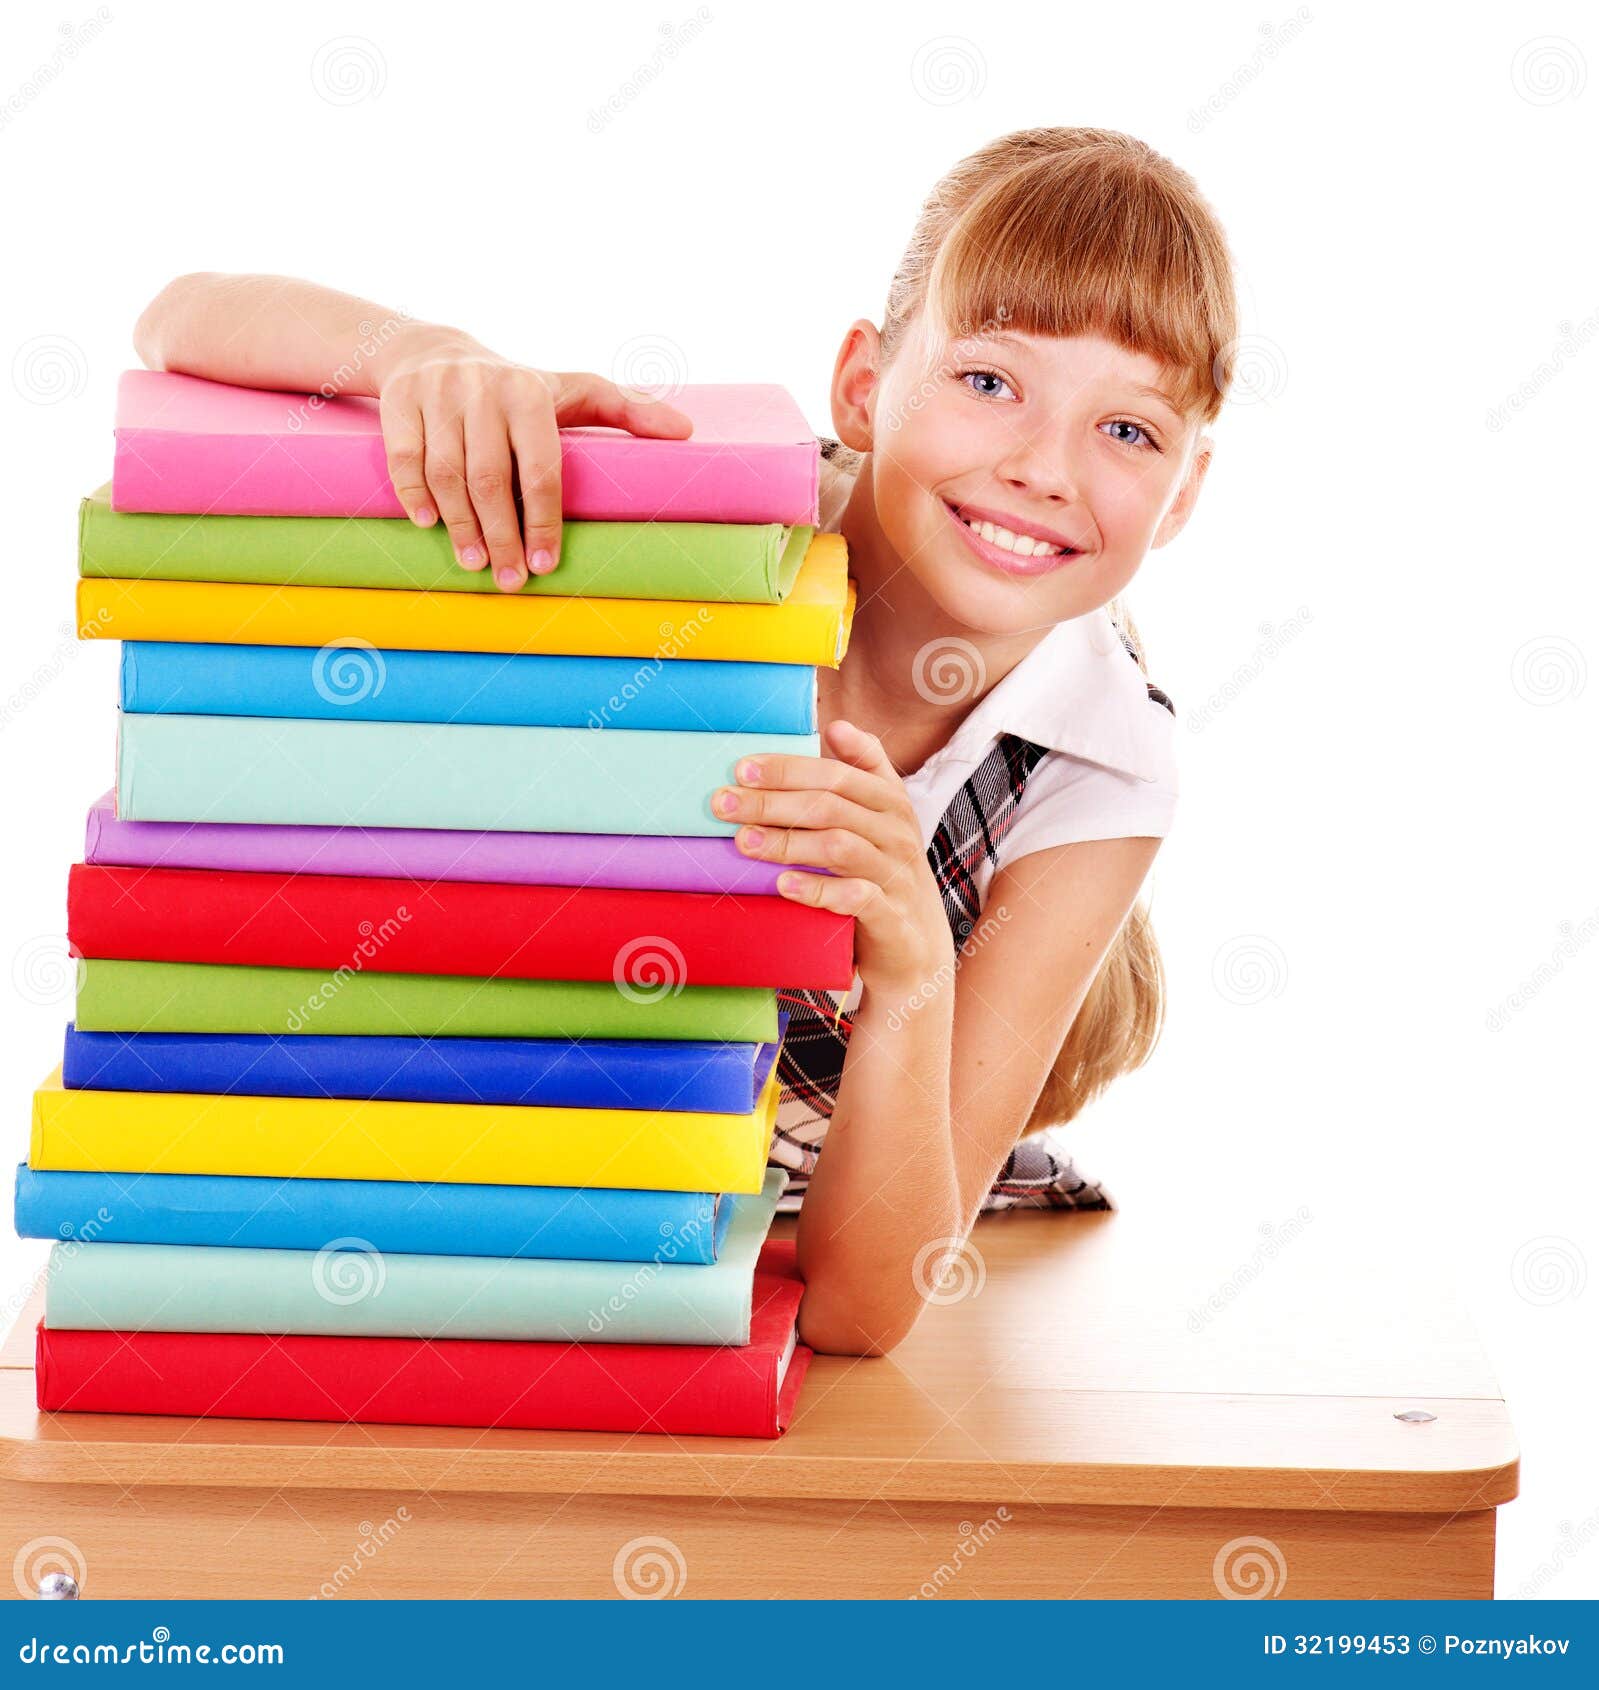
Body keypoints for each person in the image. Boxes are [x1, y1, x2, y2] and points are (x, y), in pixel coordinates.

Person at [132, 125, 1239, 1357]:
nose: (1043, 468)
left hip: (780, 1187)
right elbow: (177, 320)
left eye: (1128, 431)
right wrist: (428, 362)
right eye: (989, 381)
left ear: (1184, 494)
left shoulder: (1105, 755)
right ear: (865, 388)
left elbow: (866, 1308)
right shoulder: (693, 523)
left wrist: (918, 979)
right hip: (499, 1140)